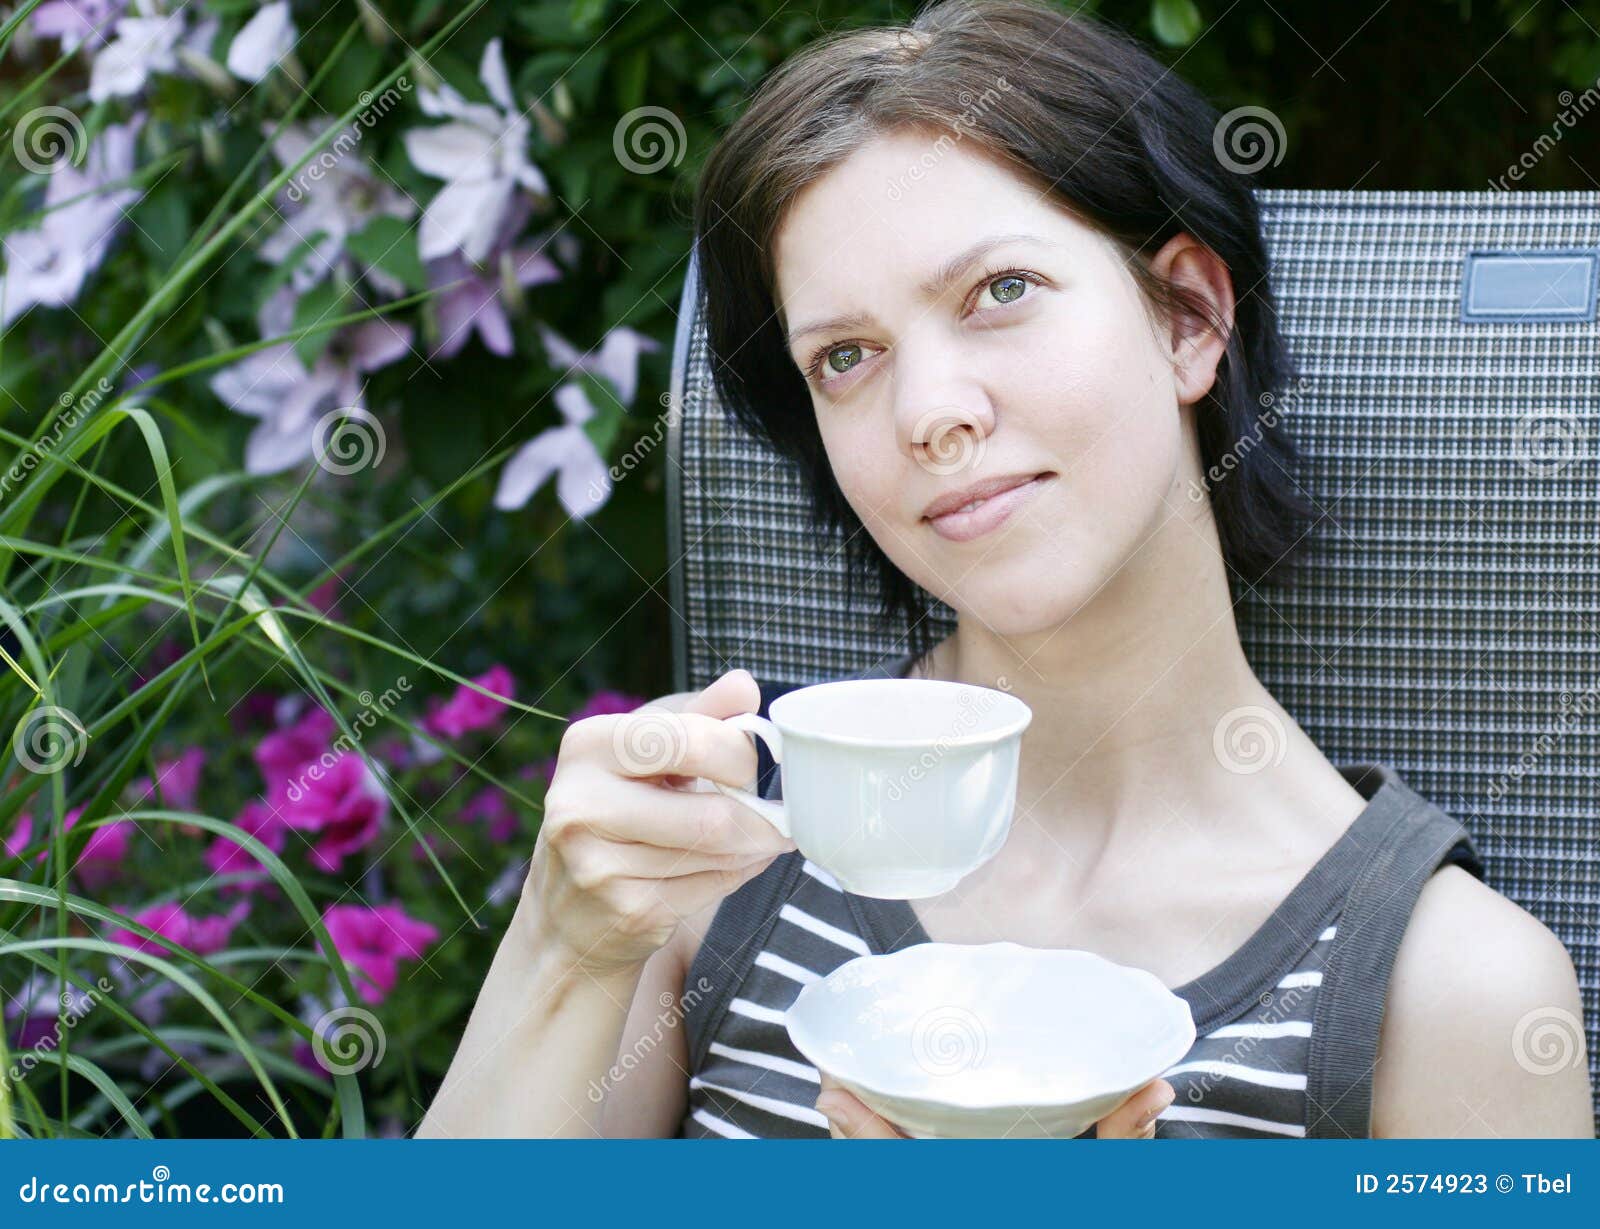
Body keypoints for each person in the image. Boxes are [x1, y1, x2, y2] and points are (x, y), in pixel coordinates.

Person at [418, 0, 1592, 1139]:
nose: (928, 413)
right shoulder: (706, 858)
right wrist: (559, 946)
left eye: (1001, 292)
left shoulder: (1452, 994)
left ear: (1186, 316)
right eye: (845, 356)